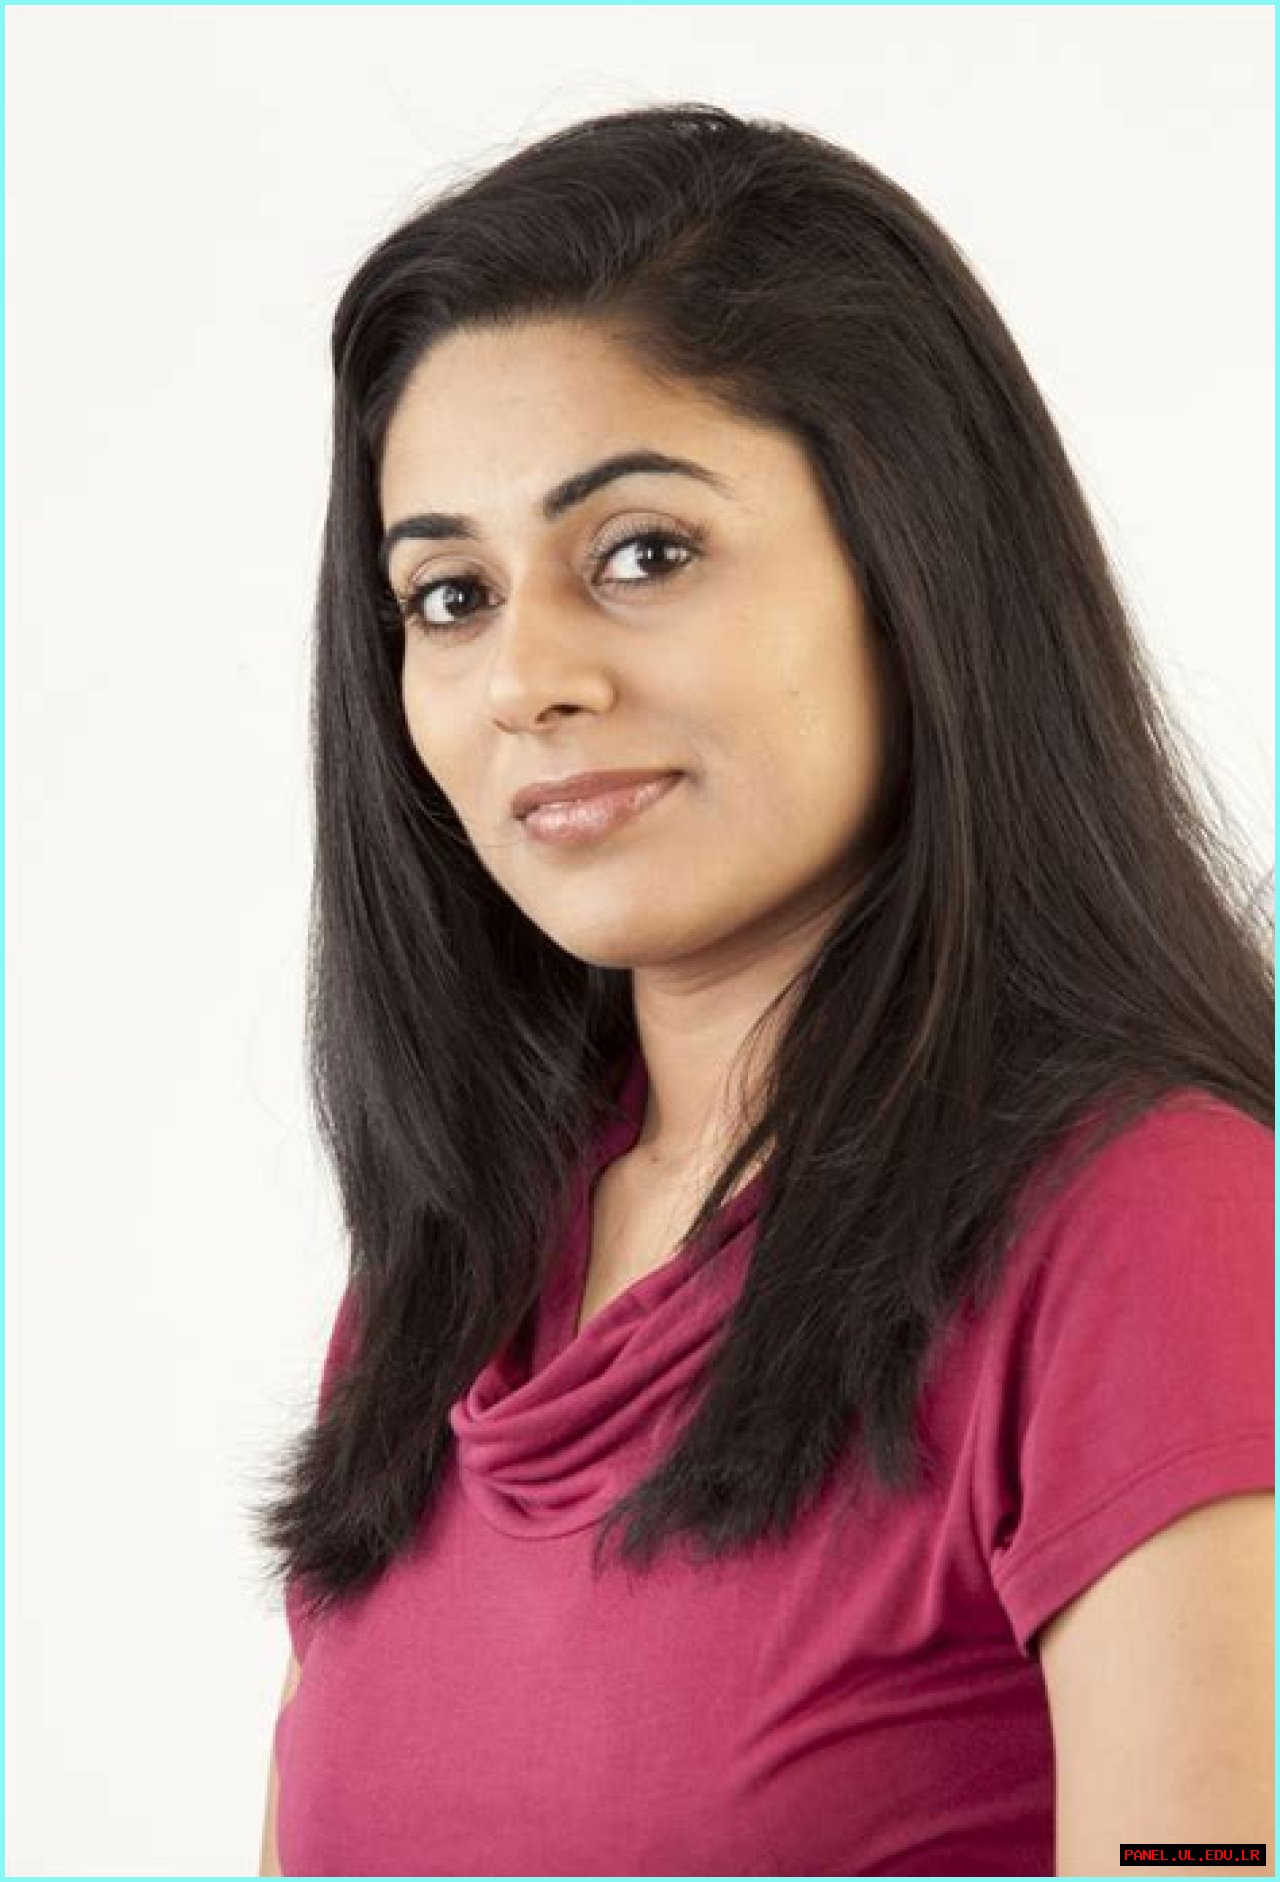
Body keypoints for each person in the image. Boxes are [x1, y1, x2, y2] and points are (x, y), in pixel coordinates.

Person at [251, 102, 1274, 1876]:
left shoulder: (1160, 1231)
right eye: (450, 593)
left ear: (916, 564)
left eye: (642, 551)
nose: (525, 676)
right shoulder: (448, 1273)